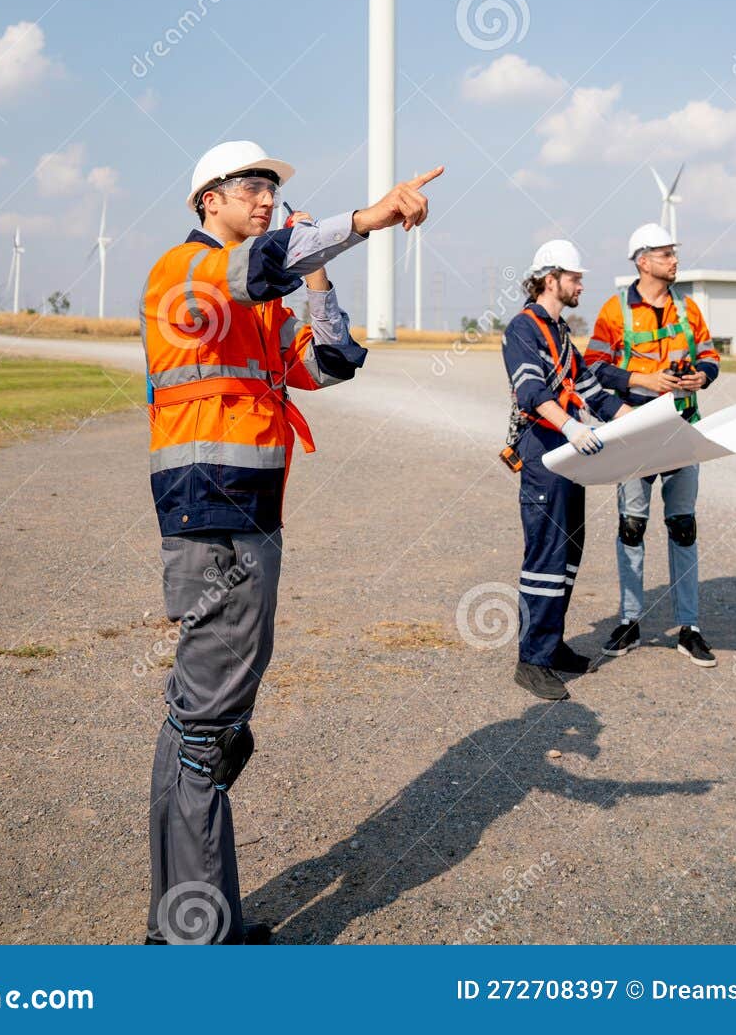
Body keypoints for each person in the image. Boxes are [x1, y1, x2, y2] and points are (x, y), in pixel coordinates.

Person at [141, 140, 443, 944]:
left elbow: (334, 361)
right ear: (209, 199)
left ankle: (184, 917)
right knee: (208, 727)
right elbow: (257, 265)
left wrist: (318, 274)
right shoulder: (185, 270)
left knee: (204, 721)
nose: (266, 197)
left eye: (271, 187)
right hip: (216, 509)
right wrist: (368, 218)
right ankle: (196, 938)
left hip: (246, 510)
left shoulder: (260, 295)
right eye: (250, 185)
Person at [583, 222, 721, 667]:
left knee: (683, 526)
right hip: (637, 432)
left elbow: (710, 355)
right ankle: (630, 621)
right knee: (632, 527)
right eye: (666, 254)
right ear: (643, 261)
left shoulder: (689, 309)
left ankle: (690, 628)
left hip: (682, 431)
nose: (674, 260)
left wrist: (704, 374)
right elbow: (593, 367)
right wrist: (642, 378)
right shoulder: (614, 311)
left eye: (673, 254)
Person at [502, 240, 629, 702]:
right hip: (544, 452)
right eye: (575, 277)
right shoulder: (523, 329)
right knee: (546, 557)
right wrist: (572, 426)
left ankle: (551, 645)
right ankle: (532, 661)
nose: (581, 285)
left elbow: (592, 387)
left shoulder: (559, 331)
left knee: (569, 553)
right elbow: (531, 392)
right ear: (550, 279)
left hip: (570, 455)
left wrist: (630, 419)